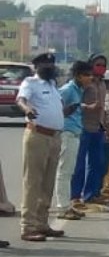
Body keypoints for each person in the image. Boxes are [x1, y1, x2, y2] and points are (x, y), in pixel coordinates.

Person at [15, 53, 68, 244]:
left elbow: (57, 108)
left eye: (51, 63)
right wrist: (27, 109)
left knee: (47, 183)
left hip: (54, 138)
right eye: (45, 63)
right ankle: (28, 226)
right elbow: (21, 99)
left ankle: (41, 223)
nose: (49, 66)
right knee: (33, 182)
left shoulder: (53, 85)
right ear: (36, 66)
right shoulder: (31, 82)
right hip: (37, 135)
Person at [54, 61, 92, 221]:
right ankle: (62, 208)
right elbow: (55, 105)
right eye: (86, 75)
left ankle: (67, 205)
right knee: (64, 172)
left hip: (75, 132)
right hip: (67, 133)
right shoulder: (68, 90)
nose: (89, 78)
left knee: (69, 171)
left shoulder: (78, 90)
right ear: (77, 76)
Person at [74, 54, 109, 207]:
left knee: (98, 163)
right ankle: (76, 197)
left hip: (98, 128)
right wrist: (87, 107)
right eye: (98, 64)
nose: (101, 68)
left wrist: (107, 126)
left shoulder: (102, 84)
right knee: (79, 166)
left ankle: (92, 193)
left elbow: (104, 108)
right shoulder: (85, 84)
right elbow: (75, 102)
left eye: (104, 65)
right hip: (83, 127)